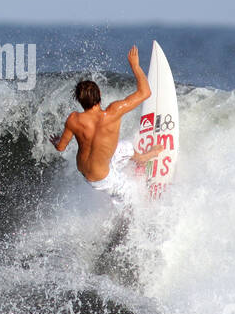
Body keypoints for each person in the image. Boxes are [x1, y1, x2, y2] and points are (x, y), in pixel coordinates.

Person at [48, 45, 164, 203]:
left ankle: (141, 158)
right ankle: (127, 221)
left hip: (86, 173)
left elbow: (60, 147)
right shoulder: (113, 112)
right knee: (134, 197)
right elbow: (145, 92)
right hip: (104, 179)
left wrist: (56, 141)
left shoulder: (73, 119)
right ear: (100, 94)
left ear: (79, 101)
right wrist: (135, 66)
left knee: (126, 147)